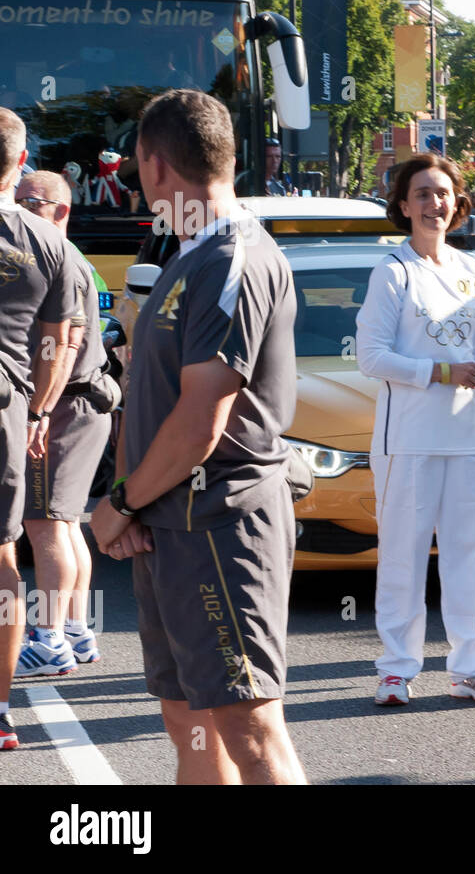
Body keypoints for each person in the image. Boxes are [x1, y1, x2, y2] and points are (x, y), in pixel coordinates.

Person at [87, 89, 306, 783]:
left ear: (154, 166)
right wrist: (135, 503)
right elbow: (148, 398)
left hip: (219, 523)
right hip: (172, 524)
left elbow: (199, 422)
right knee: (190, 724)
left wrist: (119, 503)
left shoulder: (230, 260)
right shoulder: (189, 254)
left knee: (248, 728)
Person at [355, 153, 475, 707]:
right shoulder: (393, 272)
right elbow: (371, 358)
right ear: (403, 204)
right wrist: (439, 373)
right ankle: (396, 669)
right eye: (421, 194)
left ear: (457, 203)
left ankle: (472, 667)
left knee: (471, 553)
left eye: (442, 193)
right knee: (403, 554)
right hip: (410, 437)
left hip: (470, 433)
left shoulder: (473, 270)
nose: (433, 203)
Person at [13, 172, 114, 679]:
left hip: (65, 406)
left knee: (44, 524)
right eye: (17, 199)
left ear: (62, 209)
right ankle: (74, 630)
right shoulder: (70, 257)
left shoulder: (58, 257)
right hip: (79, 403)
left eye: (32, 200)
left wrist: (39, 412)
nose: (21, 207)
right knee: (67, 524)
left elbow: (65, 344)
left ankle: (48, 638)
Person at [0, 109, 77, 752]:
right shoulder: (48, 241)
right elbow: (59, 341)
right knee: (4, 555)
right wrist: (41, 410)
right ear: (20, 165)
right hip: (8, 406)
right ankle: (0, 708)